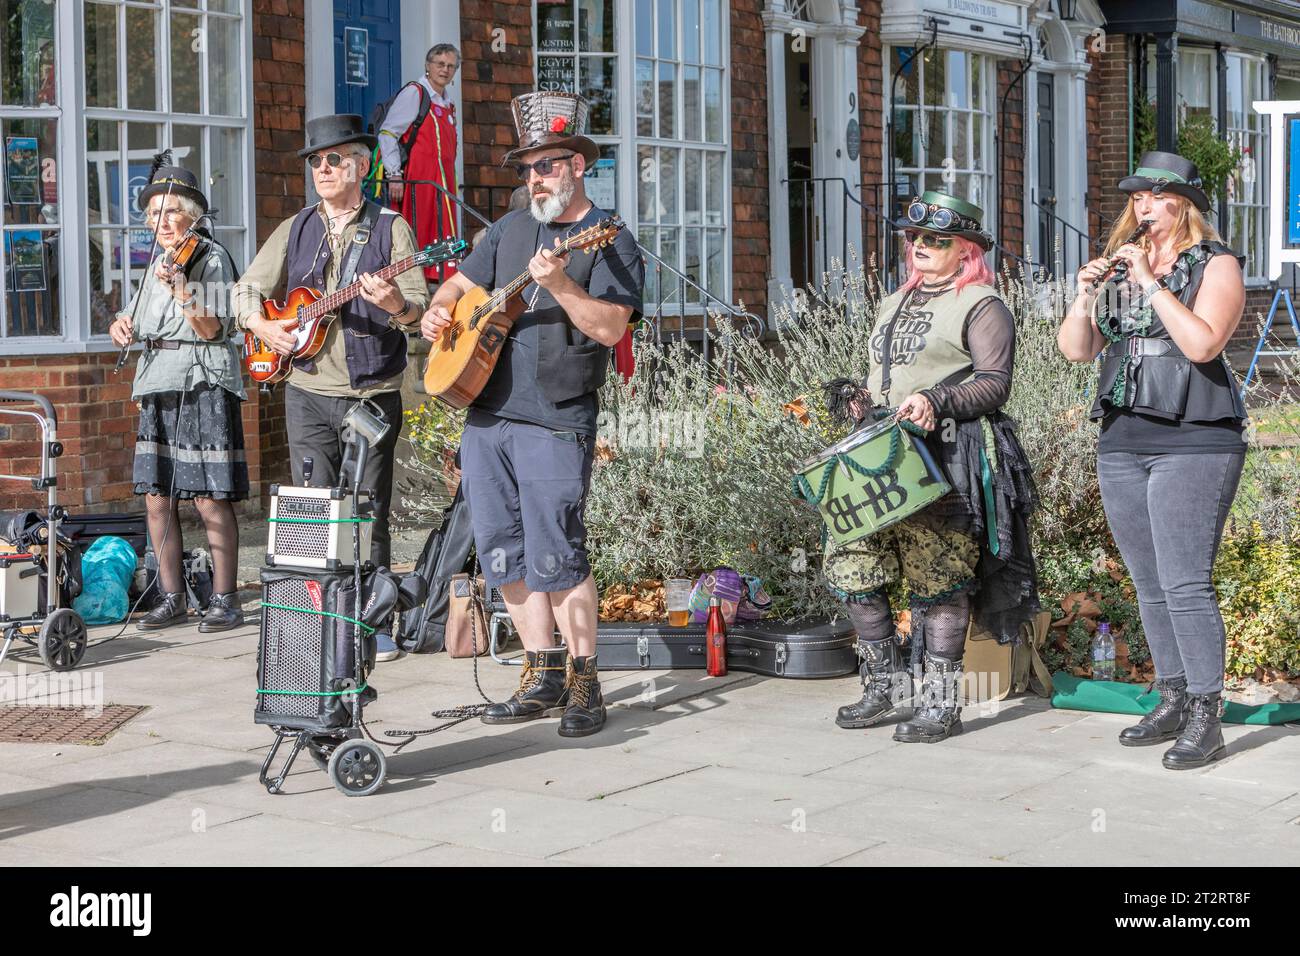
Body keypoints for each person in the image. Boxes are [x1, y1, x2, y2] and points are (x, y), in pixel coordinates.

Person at [420, 91, 644, 737]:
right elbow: (460, 285)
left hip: (556, 415)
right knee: (501, 551)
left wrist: (562, 284)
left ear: (577, 164)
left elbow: (608, 329)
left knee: (560, 553)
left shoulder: (609, 238)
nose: (534, 178)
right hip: (486, 412)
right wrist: (440, 309)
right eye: (526, 168)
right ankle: (540, 672)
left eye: (546, 165)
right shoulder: (509, 230)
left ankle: (584, 682)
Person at [825, 190, 1039, 744]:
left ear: (965, 250)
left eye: (935, 239)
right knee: (853, 564)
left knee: (939, 578)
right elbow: (888, 372)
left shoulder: (983, 304)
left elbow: (994, 382)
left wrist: (937, 401)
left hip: (946, 454)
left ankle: (941, 706)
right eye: (914, 237)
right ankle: (885, 686)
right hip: (880, 453)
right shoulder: (894, 300)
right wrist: (861, 399)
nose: (919, 245)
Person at [1057, 151, 1247, 770]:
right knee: (1147, 581)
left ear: (1185, 205)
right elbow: (1077, 353)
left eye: (1157, 197)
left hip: (1195, 438)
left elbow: (1201, 343)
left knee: (1185, 580)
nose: (1143, 206)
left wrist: (1148, 283)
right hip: (1123, 438)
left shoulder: (1215, 264)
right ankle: (1170, 695)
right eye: (1137, 196)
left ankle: (1204, 714)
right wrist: (1084, 297)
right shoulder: (1119, 267)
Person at [232, 114, 430, 661]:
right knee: (311, 508)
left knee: (367, 507)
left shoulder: (391, 229)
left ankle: (375, 622)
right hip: (307, 389)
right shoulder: (297, 227)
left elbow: (418, 311)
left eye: (334, 159)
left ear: (363, 168)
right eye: (316, 161)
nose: (323, 168)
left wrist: (395, 306)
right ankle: (315, 623)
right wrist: (262, 325)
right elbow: (247, 287)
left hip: (370, 391)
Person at [108, 155, 248, 632]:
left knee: (208, 497)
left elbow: (211, 328)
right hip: (157, 381)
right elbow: (134, 315)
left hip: (201, 380)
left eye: (170, 212)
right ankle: (171, 596)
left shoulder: (210, 258)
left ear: (192, 214)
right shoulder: (156, 265)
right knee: (156, 498)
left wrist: (183, 288)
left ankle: (227, 598)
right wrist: (121, 323)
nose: (161, 222)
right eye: (153, 214)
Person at [378, 43, 461, 282]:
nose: (445, 70)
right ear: (428, 66)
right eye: (440, 64)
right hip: (419, 178)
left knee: (439, 228)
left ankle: (438, 274)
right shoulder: (416, 93)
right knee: (419, 227)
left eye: (450, 66)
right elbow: (388, 133)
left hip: (442, 181)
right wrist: (394, 174)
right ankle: (416, 276)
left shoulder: (447, 102)